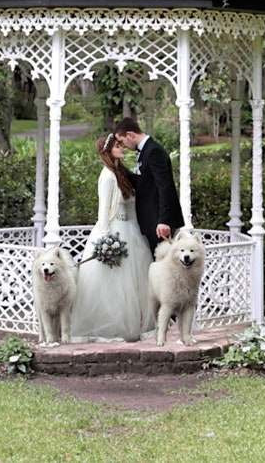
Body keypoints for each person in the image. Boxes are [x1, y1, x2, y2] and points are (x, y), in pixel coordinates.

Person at [66, 133, 155, 343]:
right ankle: (111, 327)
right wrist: (105, 240)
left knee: (134, 283)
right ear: (107, 151)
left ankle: (137, 324)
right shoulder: (107, 176)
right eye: (117, 146)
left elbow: (131, 206)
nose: (122, 148)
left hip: (130, 231)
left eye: (121, 144)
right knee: (113, 284)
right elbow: (103, 210)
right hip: (113, 231)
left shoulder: (121, 173)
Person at [114, 117, 185, 256]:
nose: (123, 146)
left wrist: (164, 221)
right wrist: (117, 167)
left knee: (163, 268)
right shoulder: (145, 151)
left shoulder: (153, 151)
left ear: (130, 135)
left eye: (122, 141)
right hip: (151, 220)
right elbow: (142, 181)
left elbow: (164, 187)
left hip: (159, 222)